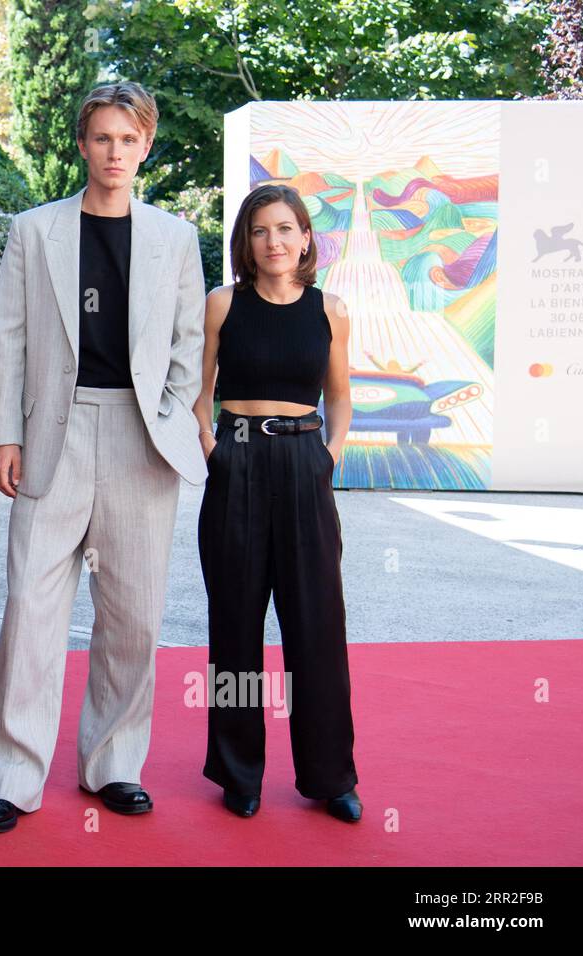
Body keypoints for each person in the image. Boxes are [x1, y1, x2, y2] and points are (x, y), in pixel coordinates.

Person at [0, 82, 207, 835]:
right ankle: (12, 775)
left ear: (146, 145)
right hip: (54, 433)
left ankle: (114, 765)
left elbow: (188, 344)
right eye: (102, 138)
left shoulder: (174, 237)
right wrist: (4, 434)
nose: (114, 152)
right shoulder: (34, 231)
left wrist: (168, 422)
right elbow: (7, 338)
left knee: (132, 615)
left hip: (142, 438)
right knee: (31, 607)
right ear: (82, 144)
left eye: (128, 139)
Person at [195, 182, 362, 823]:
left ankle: (329, 775)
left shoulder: (331, 310)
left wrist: (329, 453)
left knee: (317, 624)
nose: (274, 242)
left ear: (306, 238)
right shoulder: (222, 304)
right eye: (261, 230)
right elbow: (197, 388)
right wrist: (213, 447)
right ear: (246, 240)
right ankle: (239, 773)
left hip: (303, 463)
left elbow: (340, 394)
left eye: (286, 229)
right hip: (234, 464)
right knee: (234, 624)